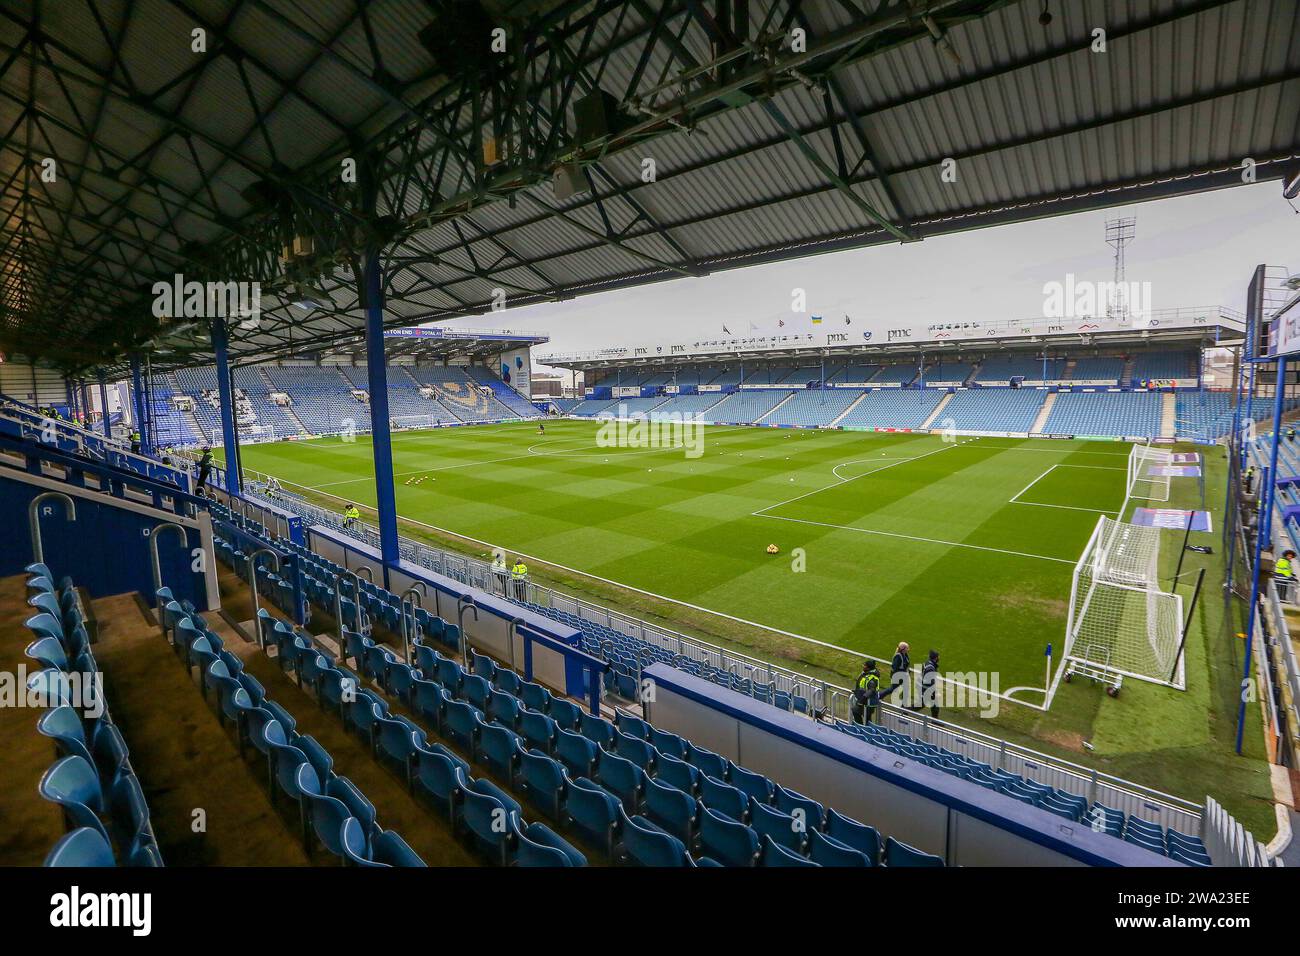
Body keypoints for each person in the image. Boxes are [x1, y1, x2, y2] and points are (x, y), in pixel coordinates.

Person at [850, 660, 882, 725]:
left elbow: (871, 690)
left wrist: (862, 700)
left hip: (868, 702)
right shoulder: (866, 674)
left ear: (868, 668)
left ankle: (862, 729)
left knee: (856, 711)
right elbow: (863, 686)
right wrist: (857, 691)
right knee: (867, 718)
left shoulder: (872, 678)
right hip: (865, 701)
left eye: (864, 665)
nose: (863, 666)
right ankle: (865, 730)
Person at [887, 641, 911, 708]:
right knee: (893, 689)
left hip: (903, 676)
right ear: (903, 649)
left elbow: (906, 665)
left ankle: (904, 706)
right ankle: (880, 695)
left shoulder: (905, 655)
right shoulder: (898, 656)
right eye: (907, 648)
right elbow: (895, 668)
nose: (908, 649)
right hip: (898, 676)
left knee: (906, 690)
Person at [920, 649, 941, 718]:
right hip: (928, 689)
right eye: (938, 656)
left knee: (934, 705)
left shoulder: (928, 664)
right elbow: (930, 681)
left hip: (926, 688)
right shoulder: (930, 667)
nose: (939, 658)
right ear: (936, 658)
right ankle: (906, 710)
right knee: (922, 704)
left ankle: (935, 720)